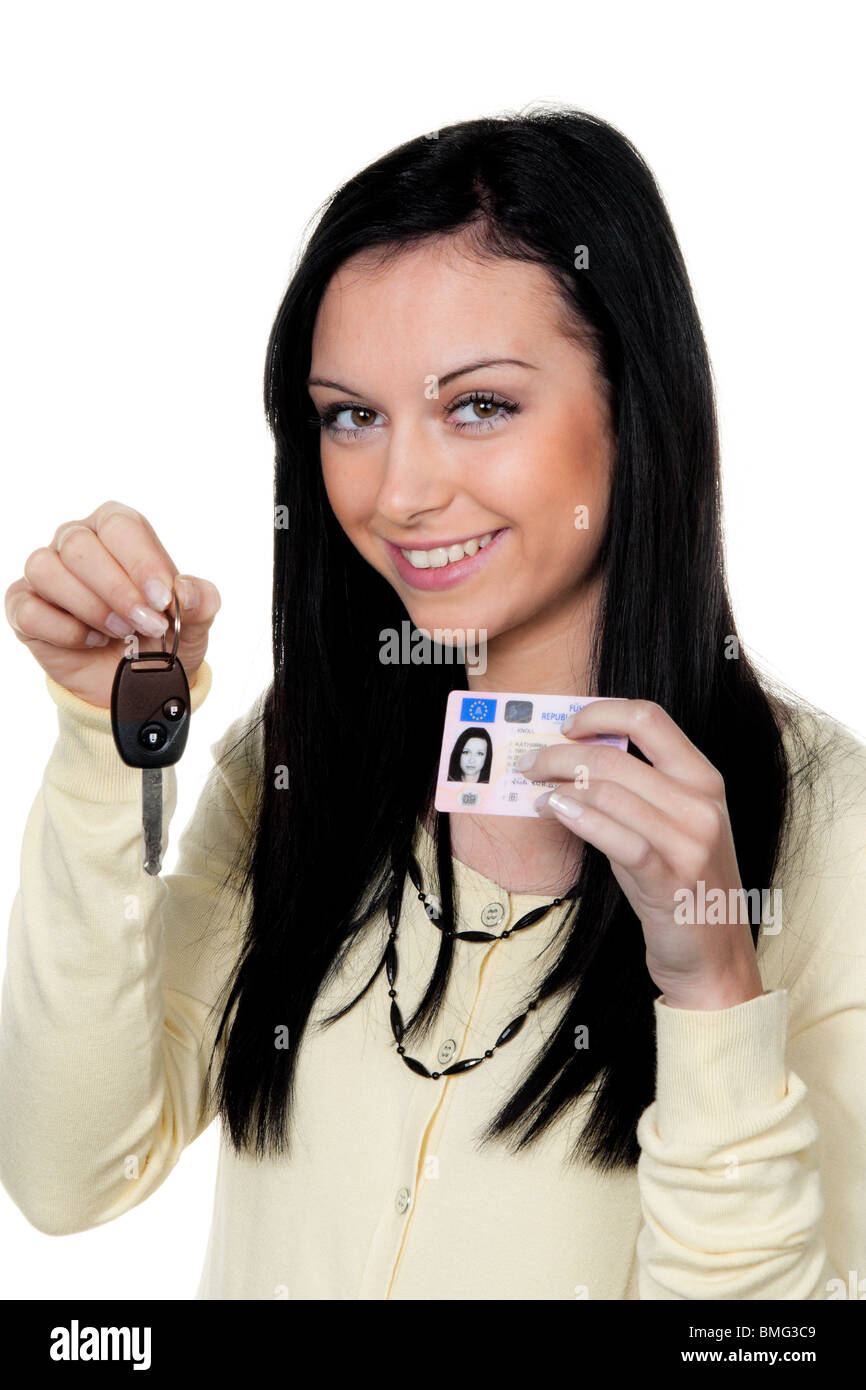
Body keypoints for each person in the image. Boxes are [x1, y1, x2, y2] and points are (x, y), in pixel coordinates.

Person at [1, 106, 864, 1301]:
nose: (399, 491)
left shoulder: (829, 833)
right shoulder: (300, 753)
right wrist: (106, 744)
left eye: (478, 405)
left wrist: (711, 988)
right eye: (351, 415)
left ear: (635, 401)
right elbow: (66, 1173)